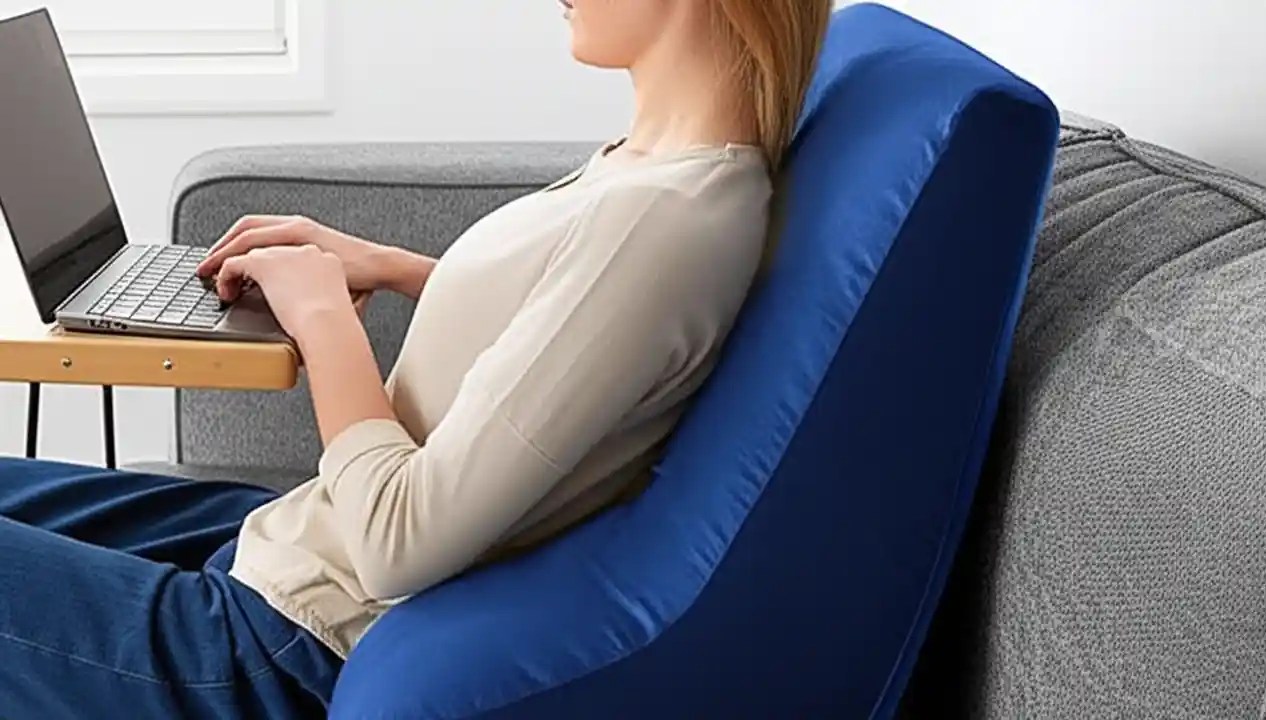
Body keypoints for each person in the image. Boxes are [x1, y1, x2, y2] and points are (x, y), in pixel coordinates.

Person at [0, 1, 829, 717]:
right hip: (286, 556)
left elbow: (402, 539)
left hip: (284, 650)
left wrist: (322, 315)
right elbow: (560, 338)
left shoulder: (668, 222)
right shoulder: (653, 171)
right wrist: (390, 266)